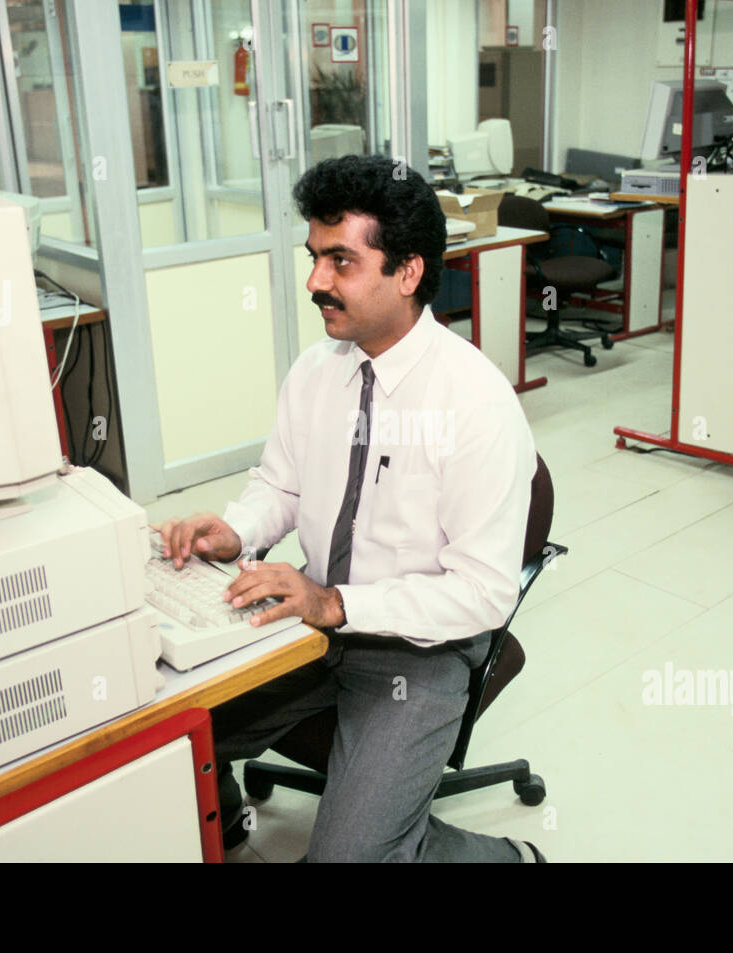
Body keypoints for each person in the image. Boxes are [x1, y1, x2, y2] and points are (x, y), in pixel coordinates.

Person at [152, 154, 541, 862]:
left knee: (348, 857)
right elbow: (284, 486)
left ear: (409, 272)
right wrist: (236, 528)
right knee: (157, 734)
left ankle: (506, 857)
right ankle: (226, 815)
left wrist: (336, 603)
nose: (315, 282)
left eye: (340, 261)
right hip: (313, 623)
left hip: (422, 650)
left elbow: (483, 593)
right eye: (313, 258)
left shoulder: (475, 404)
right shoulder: (316, 372)